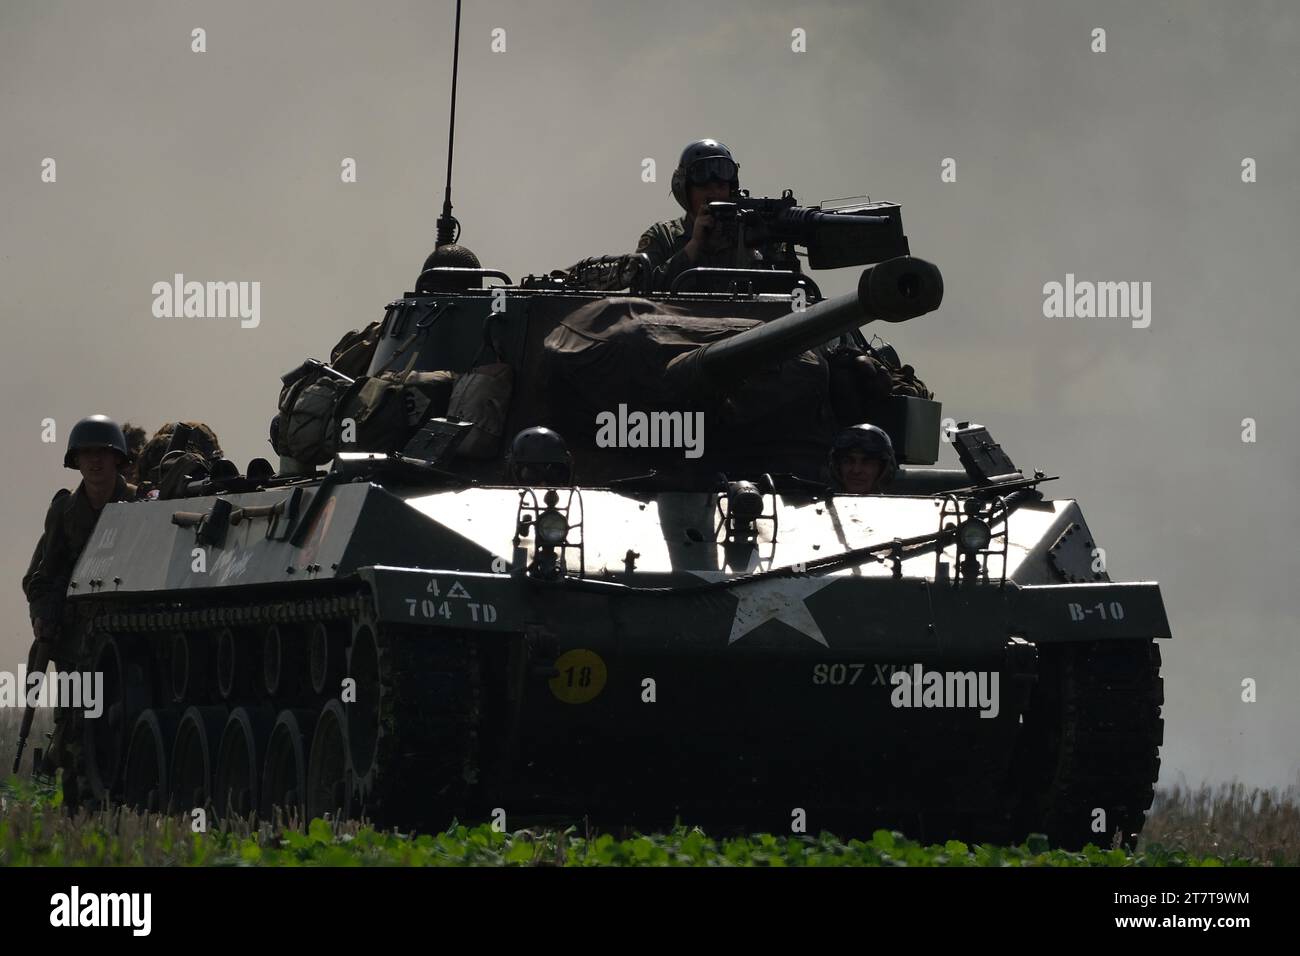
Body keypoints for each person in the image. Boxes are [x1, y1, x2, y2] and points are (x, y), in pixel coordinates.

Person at [23, 415, 138, 778]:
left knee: (123, 718)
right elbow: (40, 577)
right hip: (76, 637)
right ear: (76, 461)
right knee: (75, 727)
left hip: (130, 629)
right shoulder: (63, 512)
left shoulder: (142, 505)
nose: (95, 461)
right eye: (86, 453)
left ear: (118, 457)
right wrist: (43, 616)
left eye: (104, 452)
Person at [636, 139, 760, 291]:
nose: (715, 194)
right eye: (704, 187)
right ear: (684, 191)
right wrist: (694, 245)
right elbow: (641, 289)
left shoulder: (750, 233)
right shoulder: (662, 237)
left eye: (721, 186)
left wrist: (752, 251)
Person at [829, 424, 897, 495]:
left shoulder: (898, 506)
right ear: (837, 466)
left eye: (868, 463)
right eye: (847, 461)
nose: (856, 470)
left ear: (884, 469)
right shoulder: (819, 505)